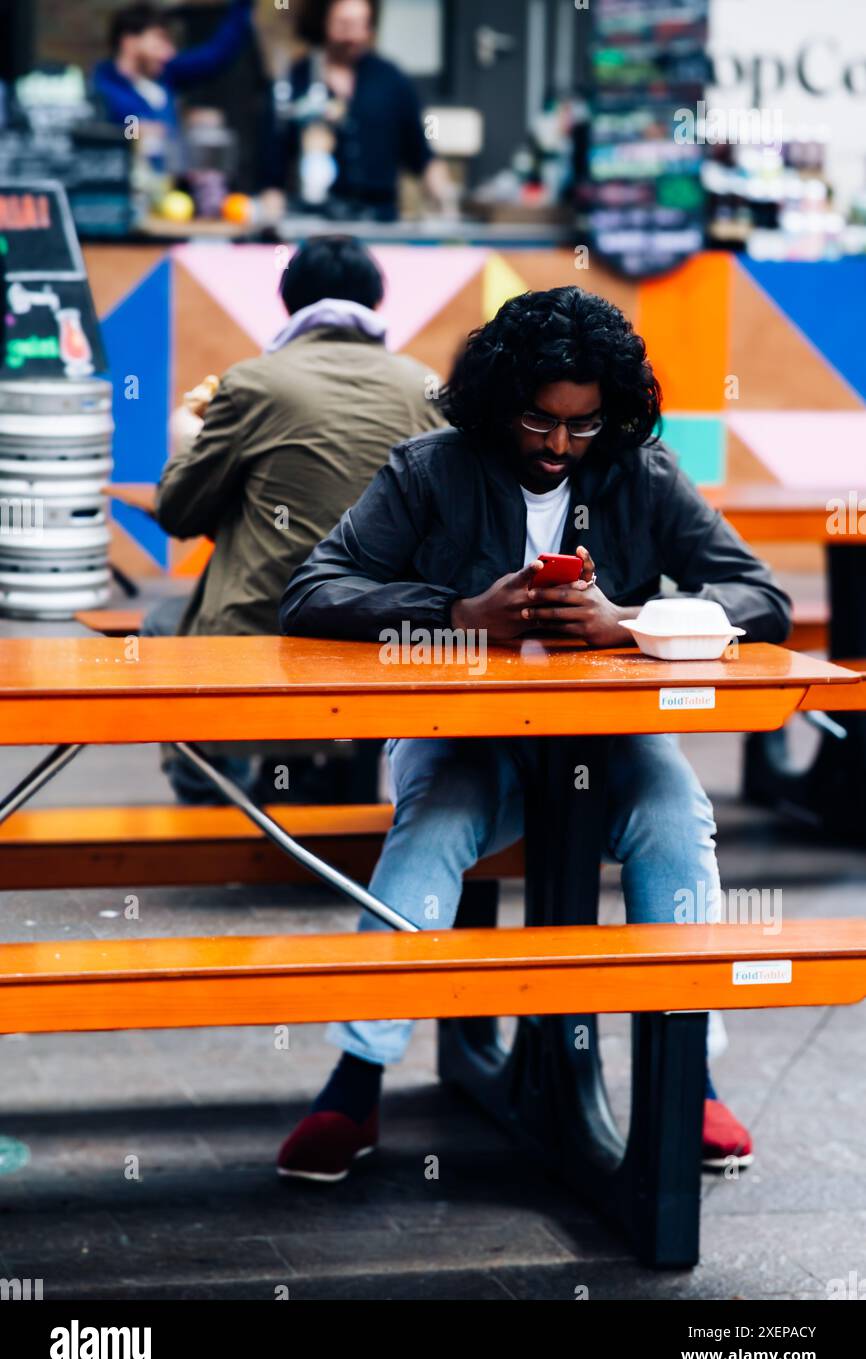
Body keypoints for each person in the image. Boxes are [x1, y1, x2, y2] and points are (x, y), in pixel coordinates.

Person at [276, 285, 793, 1180]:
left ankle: (688, 1080)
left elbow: (763, 599)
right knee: (431, 827)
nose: (560, 446)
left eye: (584, 426)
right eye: (539, 421)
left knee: (678, 824)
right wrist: (458, 614)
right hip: (466, 736)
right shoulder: (430, 468)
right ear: (495, 402)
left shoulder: (643, 472)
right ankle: (355, 1084)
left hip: (611, 740)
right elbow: (314, 592)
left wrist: (630, 621)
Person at [148, 235, 444, 803]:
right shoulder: (423, 385)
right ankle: (325, 789)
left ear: (288, 301)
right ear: (376, 299)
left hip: (260, 631)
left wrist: (184, 436)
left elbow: (179, 511)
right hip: (387, 636)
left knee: (164, 624)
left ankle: (218, 799)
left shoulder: (254, 382)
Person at [264, 0, 456, 220]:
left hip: (380, 220)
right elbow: (272, 172)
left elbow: (422, 156)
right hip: (313, 219)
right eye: (343, 25)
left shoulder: (391, 79)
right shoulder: (295, 81)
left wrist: (446, 201)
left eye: (359, 25)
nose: (351, 38)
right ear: (324, 21)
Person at [92, 0, 254, 129]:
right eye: (160, 39)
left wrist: (242, 4)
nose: (169, 53)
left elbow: (215, 55)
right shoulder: (101, 88)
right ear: (130, 41)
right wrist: (137, 132)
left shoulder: (165, 76)